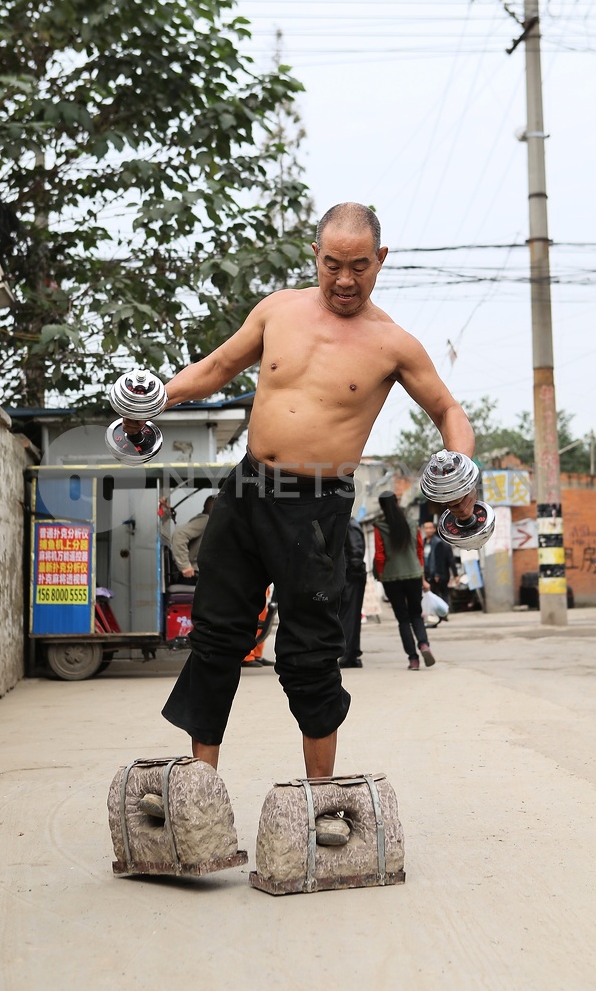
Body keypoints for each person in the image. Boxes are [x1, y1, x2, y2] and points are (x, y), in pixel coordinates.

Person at [123, 202, 476, 785]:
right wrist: (152, 399)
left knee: (309, 654)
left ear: (380, 260)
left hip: (316, 510)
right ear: (315, 254)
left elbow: (447, 408)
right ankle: (199, 790)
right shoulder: (278, 310)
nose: (344, 279)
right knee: (216, 638)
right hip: (246, 491)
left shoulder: (393, 344)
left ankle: (321, 800)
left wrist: (462, 469)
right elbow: (214, 369)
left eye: (359, 266)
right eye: (332, 263)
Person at [374, 492, 434, 670]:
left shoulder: (379, 526)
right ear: (397, 502)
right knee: (416, 614)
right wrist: (421, 574)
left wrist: (382, 575)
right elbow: (419, 550)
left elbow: (379, 555)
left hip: (392, 577)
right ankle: (423, 644)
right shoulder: (412, 523)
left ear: (381, 506)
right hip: (414, 574)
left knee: (402, 619)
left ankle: (413, 660)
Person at [338, 517, 367, 668]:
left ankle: (351, 653)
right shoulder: (350, 523)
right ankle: (348, 654)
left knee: (348, 616)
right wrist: (356, 570)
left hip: (344, 574)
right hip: (351, 577)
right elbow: (356, 552)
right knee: (351, 617)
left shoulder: (343, 522)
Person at [170, 495, 216, 582]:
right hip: (193, 576)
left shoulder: (209, 522)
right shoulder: (206, 520)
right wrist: (185, 566)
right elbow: (179, 534)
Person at [422, 519, 458, 607]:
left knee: (442, 593)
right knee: (432, 594)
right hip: (428, 573)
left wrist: (438, 574)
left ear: (434, 529)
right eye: (426, 528)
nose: (428, 530)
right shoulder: (423, 543)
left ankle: (443, 613)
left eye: (430, 528)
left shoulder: (439, 543)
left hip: (440, 574)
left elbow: (445, 560)